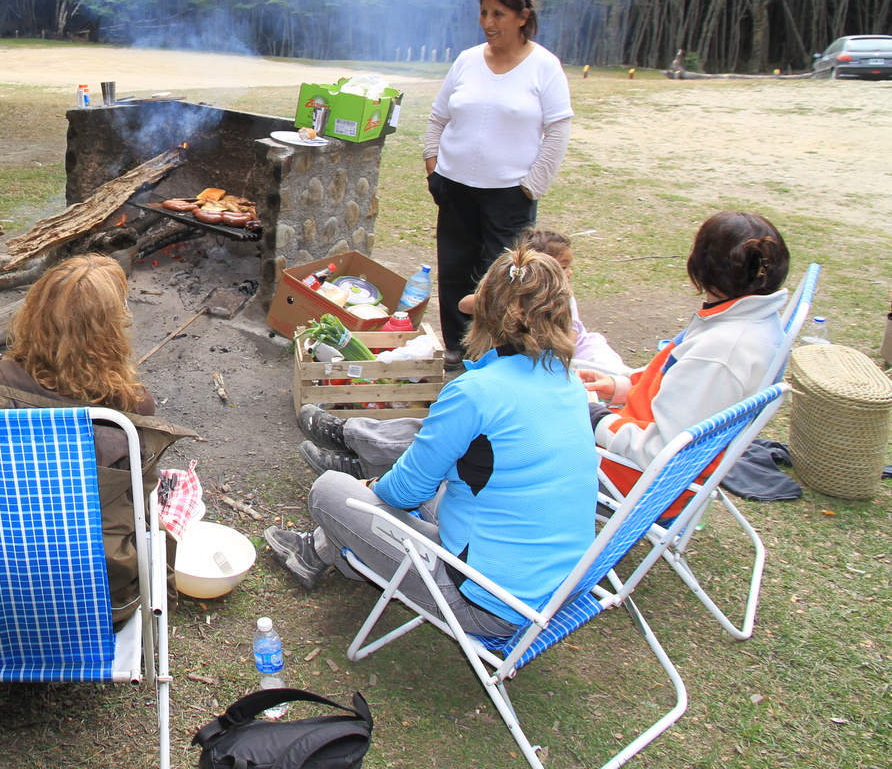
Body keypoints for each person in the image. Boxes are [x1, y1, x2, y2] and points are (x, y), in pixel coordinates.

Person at [265, 247, 597, 637]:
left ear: (486, 317)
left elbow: (404, 493)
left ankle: (328, 535)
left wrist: (366, 488)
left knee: (330, 492)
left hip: (488, 602)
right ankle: (317, 551)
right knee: (436, 478)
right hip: (558, 588)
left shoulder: (477, 392)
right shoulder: (569, 380)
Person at [0, 256, 195, 668]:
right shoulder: (126, 411)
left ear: (33, 313)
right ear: (111, 332)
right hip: (94, 607)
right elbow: (140, 516)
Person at [582, 211, 789, 512]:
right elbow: (683, 398)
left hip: (622, 481)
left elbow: (660, 451)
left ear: (700, 267)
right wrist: (623, 388)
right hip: (634, 456)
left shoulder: (722, 352)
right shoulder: (749, 322)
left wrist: (595, 418)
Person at [424, 0, 573, 368]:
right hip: (454, 186)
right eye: (484, 13)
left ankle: (498, 352)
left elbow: (557, 130)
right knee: (455, 270)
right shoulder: (467, 60)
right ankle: (458, 349)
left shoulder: (544, 67)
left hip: (509, 192)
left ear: (523, 17)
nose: (489, 23)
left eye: (499, 14)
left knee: (506, 277)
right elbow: (438, 117)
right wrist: (432, 167)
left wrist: (532, 185)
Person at [461, 228, 627, 375]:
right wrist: (498, 300)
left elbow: (570, 338)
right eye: (563, 267)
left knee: (612, 374)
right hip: (531, 357)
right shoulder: (511, 287)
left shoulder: (562, 297)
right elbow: (464, 305)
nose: (570, 273)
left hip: (580, 355)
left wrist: (557, 364)